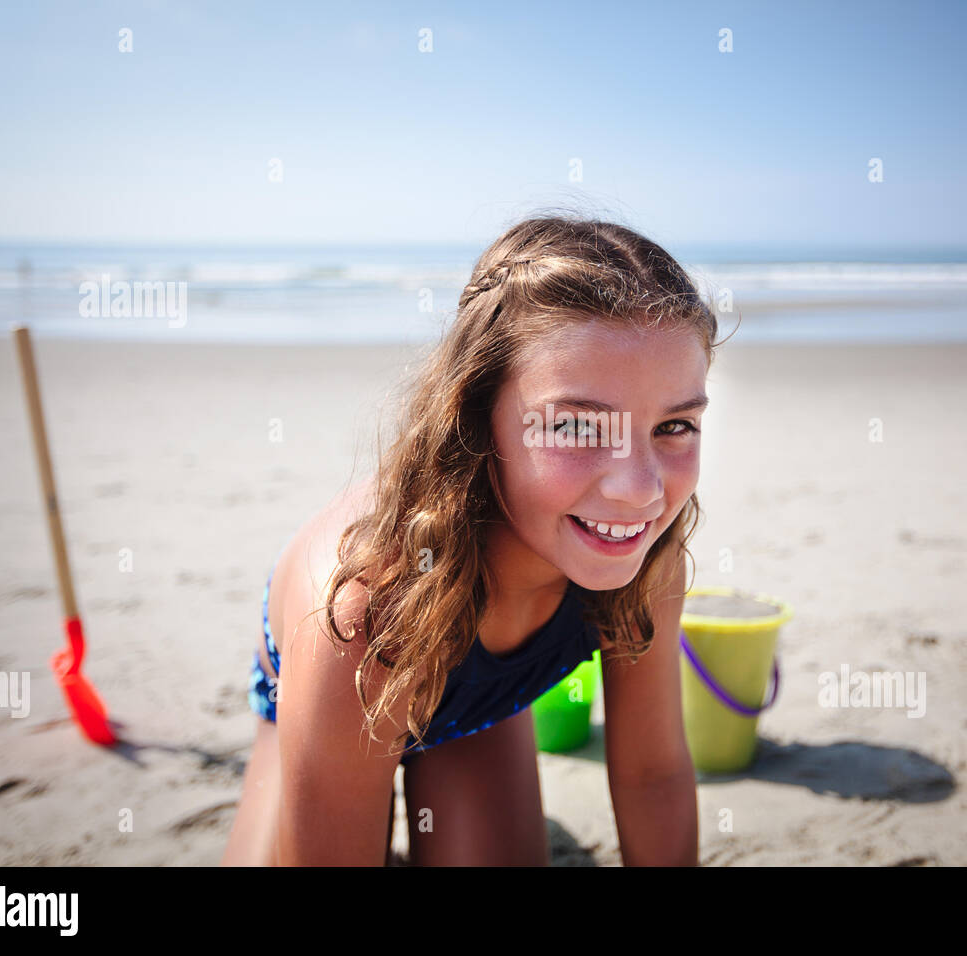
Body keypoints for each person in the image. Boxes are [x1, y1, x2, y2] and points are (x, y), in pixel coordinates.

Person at [221, 215, 716, 866]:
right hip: (335, 674)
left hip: (476, 700)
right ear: (476, 414)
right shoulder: (361, 609)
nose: (639, 489)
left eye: (674, 425)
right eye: (576, 427)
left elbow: (652, 776)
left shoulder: (645, 555)